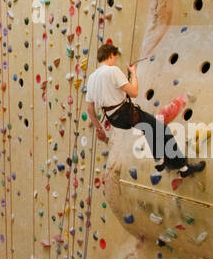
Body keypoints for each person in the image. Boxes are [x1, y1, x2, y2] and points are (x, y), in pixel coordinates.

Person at [86, 42, 205, 179]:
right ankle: (182, 167)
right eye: (115, 58)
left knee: (149, 129)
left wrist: (99, 129)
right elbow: (134, 92)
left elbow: (90, 109)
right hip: (126, 113)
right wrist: (134, 73)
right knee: (162, 131)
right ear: (111, 55)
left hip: (114, 119)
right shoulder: (113, 71)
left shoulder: (91, 79)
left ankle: (160, 160)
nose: (115, 61)